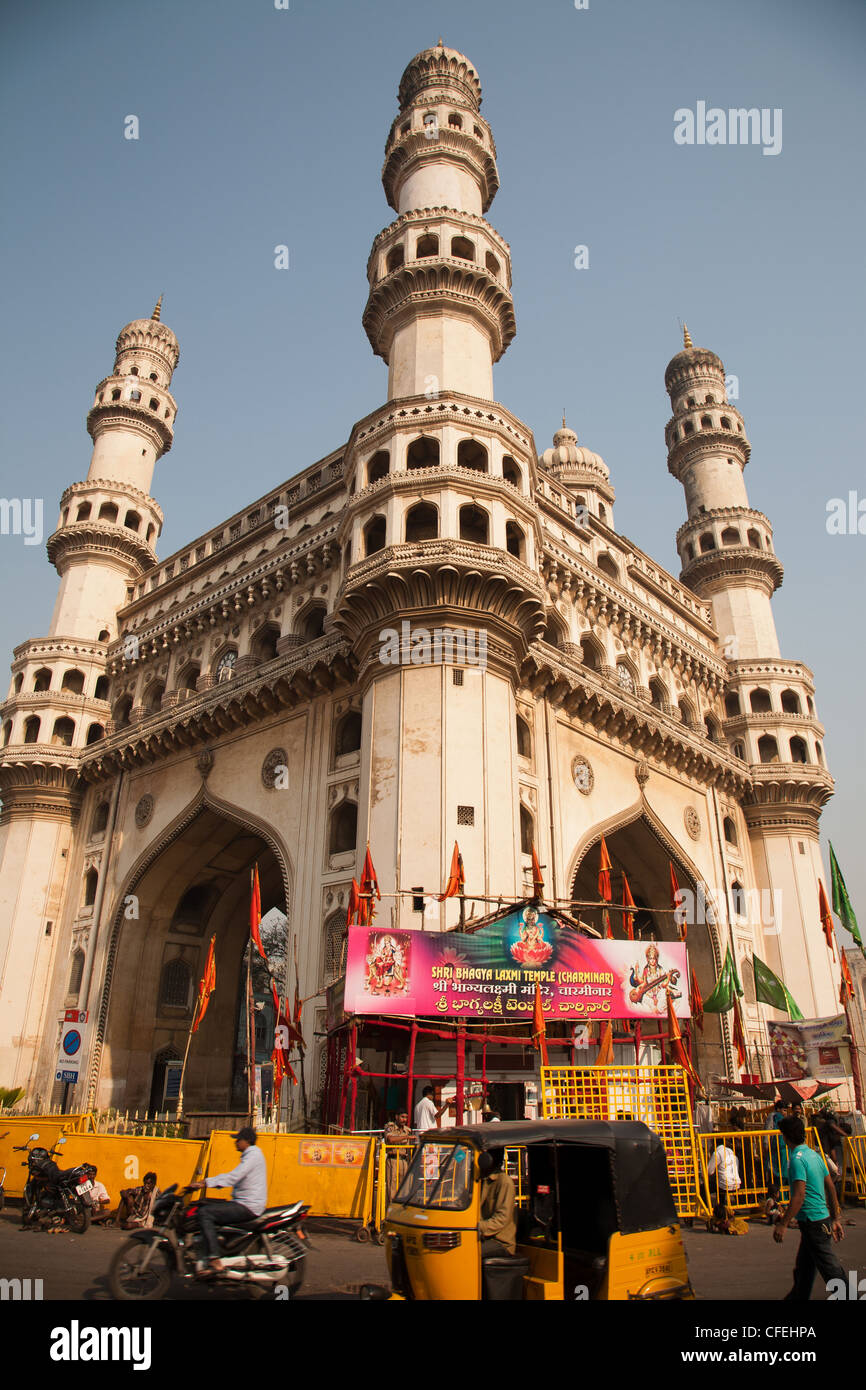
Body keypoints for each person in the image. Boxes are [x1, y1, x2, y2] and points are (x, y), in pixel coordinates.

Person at [773, 1115, 847, 1301]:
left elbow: (798, 1196)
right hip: (817, 1221)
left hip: (814, 1223)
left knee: (830, 1269)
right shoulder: (814, 1154)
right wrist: (835, 1218)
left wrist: (783, 1223)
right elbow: (830, 1186)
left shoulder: (797, 1160)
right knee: (804, 1271)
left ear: (786, 1137)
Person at [187, 1126, 267, 1274]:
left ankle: (214, 1257)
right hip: (244, 1201)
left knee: (205, 1213)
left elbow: (234, 1177)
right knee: (207, 1204)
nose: (236, 1142)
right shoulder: (251, 1155)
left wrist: (205, 1182)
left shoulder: (253, 1156)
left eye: (239, 1140)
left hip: (247, 1205)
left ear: (247, 1141)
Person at [479, 1148, 517, 1257]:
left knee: (468, 1250)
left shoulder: (504, 1182)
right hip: (483, 1237)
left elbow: (501, 1219)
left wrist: (477, 1227)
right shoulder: (481, 1179)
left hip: (500, 1242)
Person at [382, 1110, 413, 1203]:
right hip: (393, 1159)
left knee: (404, 1187)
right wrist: (406, 1137)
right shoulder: (390, 1127)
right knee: (392, 1186)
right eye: (402, 1117)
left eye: (406, 1117)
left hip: (404, 1160)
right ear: (396, 1117)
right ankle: (390, 1210)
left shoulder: (407, 1130)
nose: (404, 1120)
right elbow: (390, 1139)